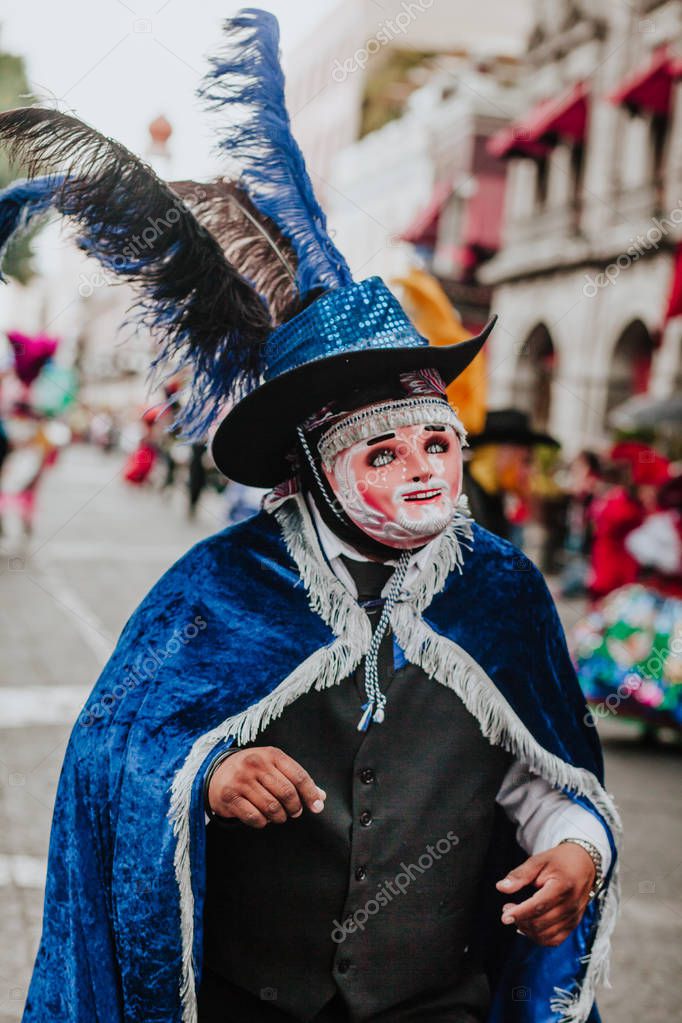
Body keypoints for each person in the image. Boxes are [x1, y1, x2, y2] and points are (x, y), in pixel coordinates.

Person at [0, 10, 619, 1023]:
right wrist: (207, 770)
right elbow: (114, 746)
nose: (424, 472)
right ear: (314, 475)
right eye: (383, 453)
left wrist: (574, 848)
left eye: (436, 443)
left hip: (441, 1003)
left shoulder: (500, 588)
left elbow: (542, 770)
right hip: (248, 1000)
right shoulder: (219, 584)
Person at [461, 408, 558, 542]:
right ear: (504, 454)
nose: (532, 471)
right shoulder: (455, 502)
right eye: (526, 461)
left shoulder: (495, 500)